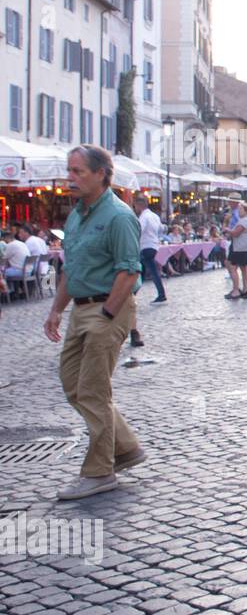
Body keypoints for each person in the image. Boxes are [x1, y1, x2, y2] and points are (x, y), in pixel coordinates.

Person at [42, 145, 146, 500]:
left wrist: (106, 315)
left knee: (92, 391)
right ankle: (127, 447)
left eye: (77, 171)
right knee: (73, 383)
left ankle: (100, 471)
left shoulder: (118, 216)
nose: (70, 177)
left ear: (101, 173)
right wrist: (57, 308)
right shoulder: (77, 215)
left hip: (107, 307)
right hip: (80, 308)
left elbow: (129, 271)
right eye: (69, 170)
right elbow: (73, 268)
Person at [224, 196, 247, 300]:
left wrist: (227, 229)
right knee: (246, 269)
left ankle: (237, 291)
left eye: (241, 209)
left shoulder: (244, 221)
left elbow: (235, 233)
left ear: (246, 211)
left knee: (234, 268)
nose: (238, 211)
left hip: (242, 249)